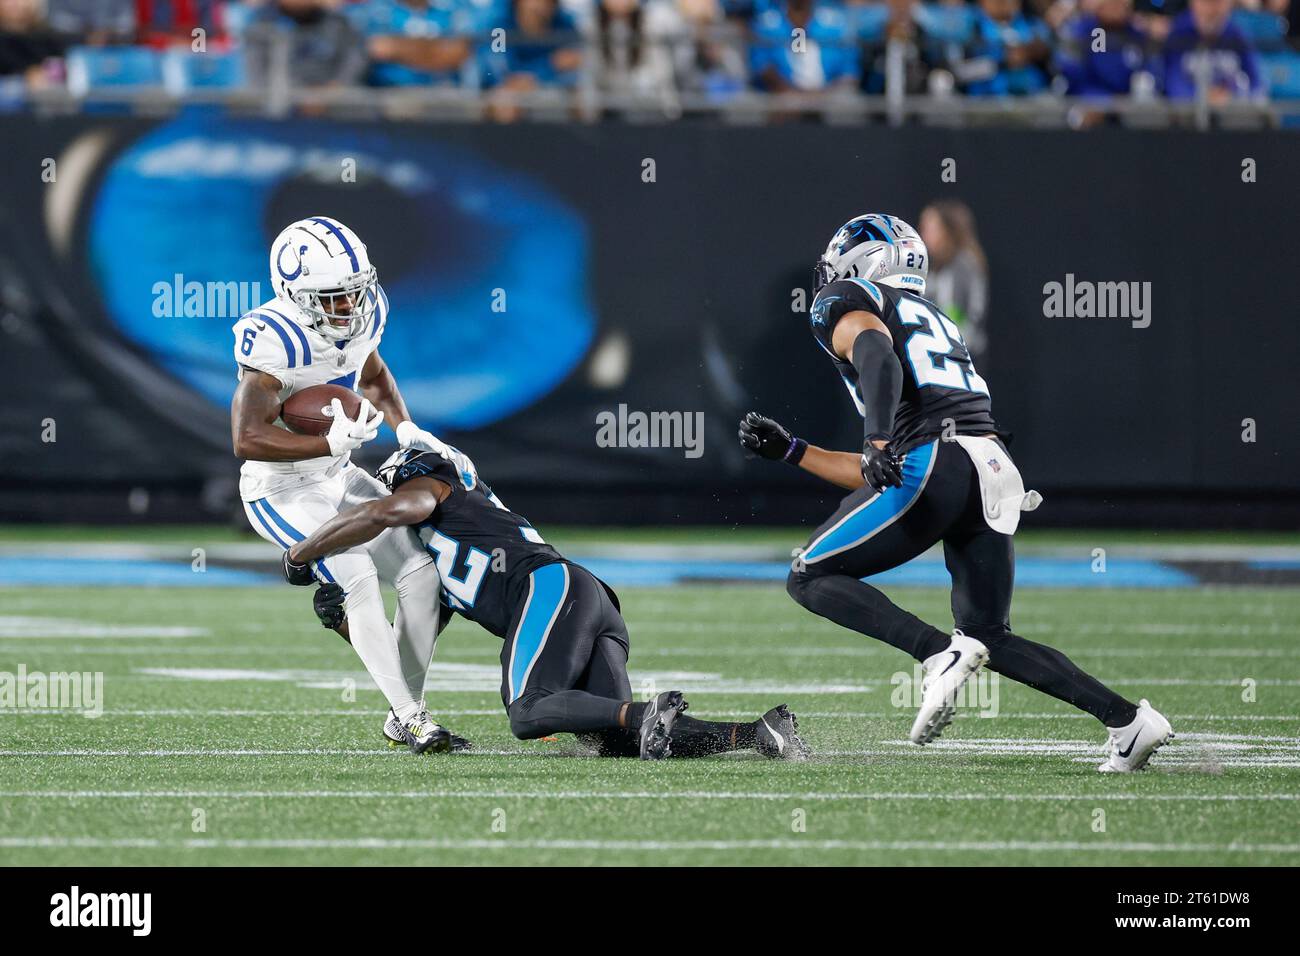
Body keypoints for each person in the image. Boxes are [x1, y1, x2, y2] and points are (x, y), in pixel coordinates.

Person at [739, 212, 1173, 773]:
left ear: (861, 260)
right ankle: (1128, 722)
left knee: (809, 575)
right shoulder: (935, 316)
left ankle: (936, 653)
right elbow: (884, 471)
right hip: (990, 469)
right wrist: (795, 450)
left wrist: (875, 436)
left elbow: (876, 358)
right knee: (990, 632)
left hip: (938, 465)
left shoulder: (849, 301)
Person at [283, 442, 809, 761]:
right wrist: (348, 629)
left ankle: (652, 709)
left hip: (550, 589)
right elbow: (413, 651)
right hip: (587, 599)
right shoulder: (446, 552)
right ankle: (756, 734)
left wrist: (303, 553)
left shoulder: (434, 493)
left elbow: (385, 513)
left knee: (529, 711)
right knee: (615, 739)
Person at [231, 216, 448, 754]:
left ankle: (404, 713)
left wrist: (406, 427)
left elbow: (371, 373)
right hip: (281, 488)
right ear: (294, 294)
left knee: (423, 574)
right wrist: (327, 444)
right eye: (332, 298)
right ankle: (413, 716)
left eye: (354, 291)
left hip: (339, 473)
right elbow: (247, 437)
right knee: (356, 575)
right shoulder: (274, 338)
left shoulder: (366, 312)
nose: (349, 306)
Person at [917, 200, 989, 361]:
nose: (924, 234)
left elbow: (956, 314)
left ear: (947, 231)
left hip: (961, 356)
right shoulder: (939, 265)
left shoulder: (962, 263)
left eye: (930, 228)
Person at [1163, 0, 1261, 102]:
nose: (1212, 10)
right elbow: (1173, 84)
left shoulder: (1238, 35)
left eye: (1218, 2)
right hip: (1188, 113)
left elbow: (1256, 84)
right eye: (1206, 2)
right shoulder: (1178, 33)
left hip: (1231, 111)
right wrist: (1201, 97)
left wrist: (1231, 96)